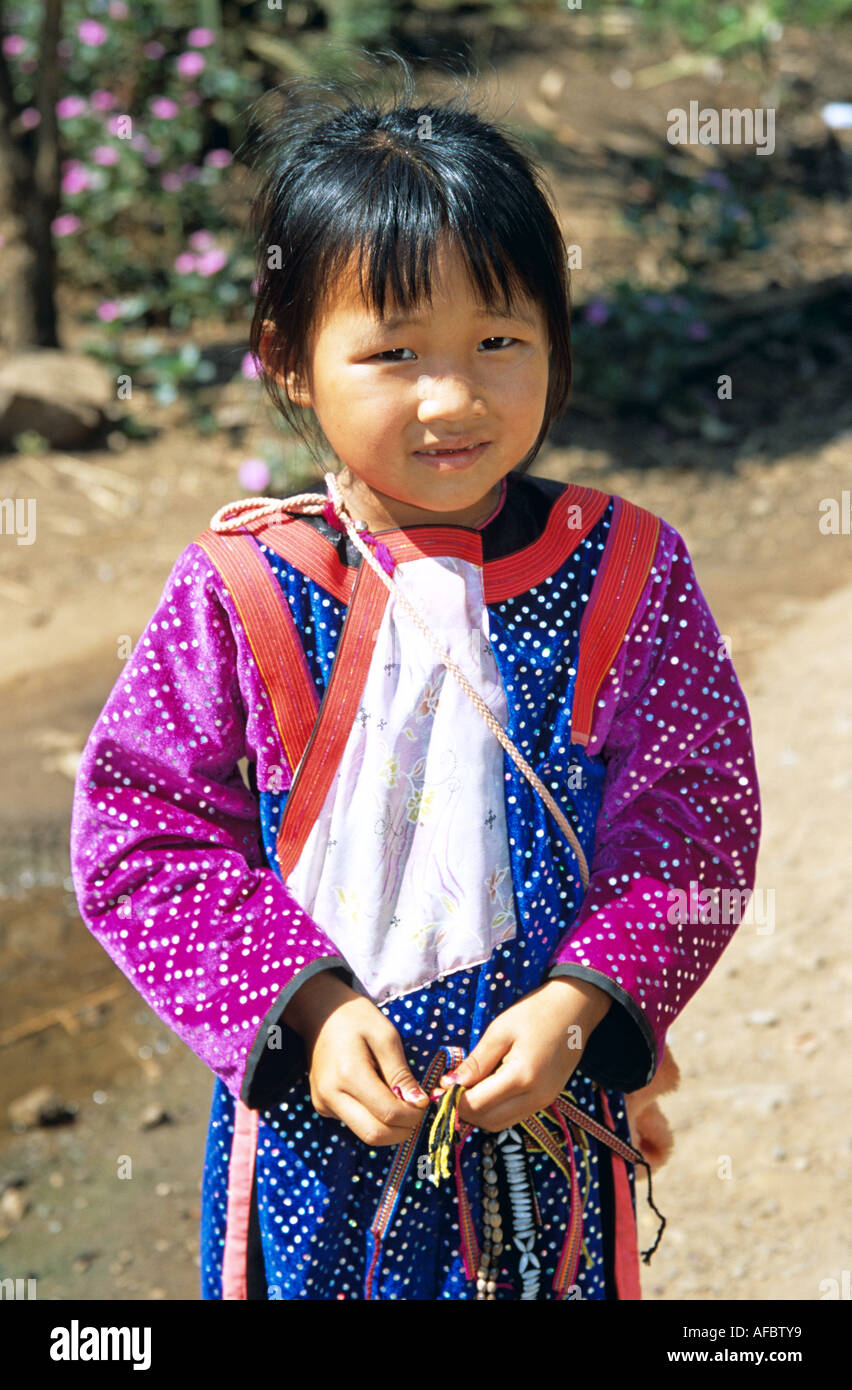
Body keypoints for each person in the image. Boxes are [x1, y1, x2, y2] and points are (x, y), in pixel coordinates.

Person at [70, 62, 761, 1301]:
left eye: (499, 340)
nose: (454, 396)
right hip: (307, 1137)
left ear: (554, 331)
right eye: (392, 351)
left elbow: (693, 823)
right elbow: (144, 832)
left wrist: (577, 1009)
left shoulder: (628, 573)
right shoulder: (245, 589)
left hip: (544, 1118)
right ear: (286, 359)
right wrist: (310, 1014)